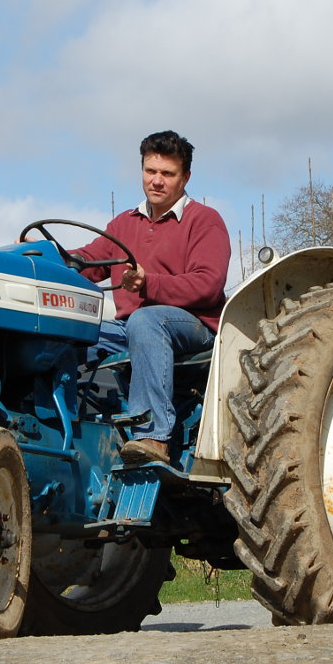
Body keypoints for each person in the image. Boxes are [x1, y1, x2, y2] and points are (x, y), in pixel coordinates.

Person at [73, 130, 230, 464]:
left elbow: (208, 284)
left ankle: (153, 437)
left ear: (185, 177)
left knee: (146, 320)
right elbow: (89, 261)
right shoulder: (124, 223)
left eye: (167, 174)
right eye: (150, 171)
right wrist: (45, 256)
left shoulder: (204, 221)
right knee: (69, 331)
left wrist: (149, 283)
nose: (157, 181)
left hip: (194, 326)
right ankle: (61, 429)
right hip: (130, 328)